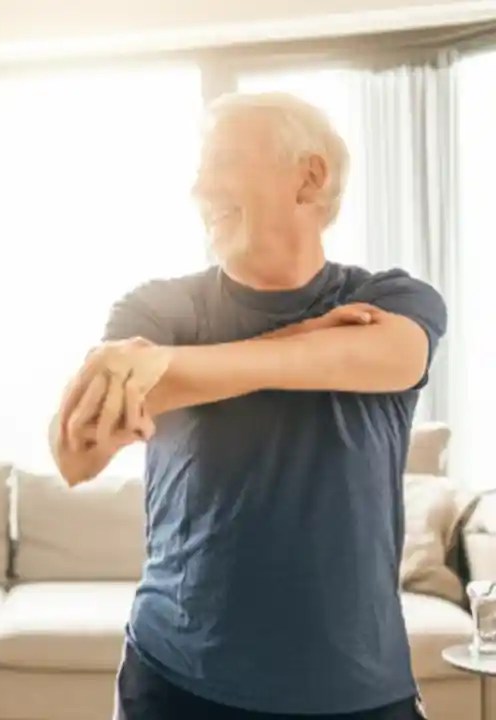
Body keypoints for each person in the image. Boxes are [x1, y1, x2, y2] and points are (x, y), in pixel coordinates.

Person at [50, 92, 444, 720]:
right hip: (176, 682)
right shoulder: (160, 309)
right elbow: (78, 453)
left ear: (308, 177)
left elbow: (397, 359)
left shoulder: (390, 299)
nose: (199, 189)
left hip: (359, 692)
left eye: (223, 161)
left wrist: (169, 370)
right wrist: (303, 337)